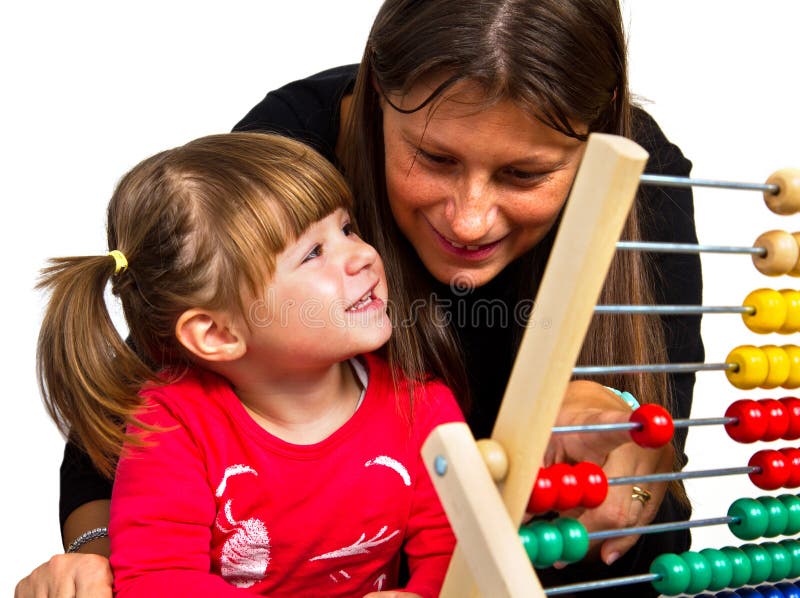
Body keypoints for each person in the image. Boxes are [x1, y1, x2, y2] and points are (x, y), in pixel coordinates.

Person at [17, 1, 703, 596]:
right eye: (434, 159)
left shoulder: (417, 407)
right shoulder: (282, 169)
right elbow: (121, 425)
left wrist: (630, 431)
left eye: (524, 175)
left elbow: (456, 556)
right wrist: (107, 561)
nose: (469, 220)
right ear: (375, 95)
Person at [34, 132, 465, 597]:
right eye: (313, 253)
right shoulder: (171, 429)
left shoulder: (424, 408)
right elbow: (161, 585)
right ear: (217, 334)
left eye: (346, 228)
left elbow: (456, 554)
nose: (361, 255)